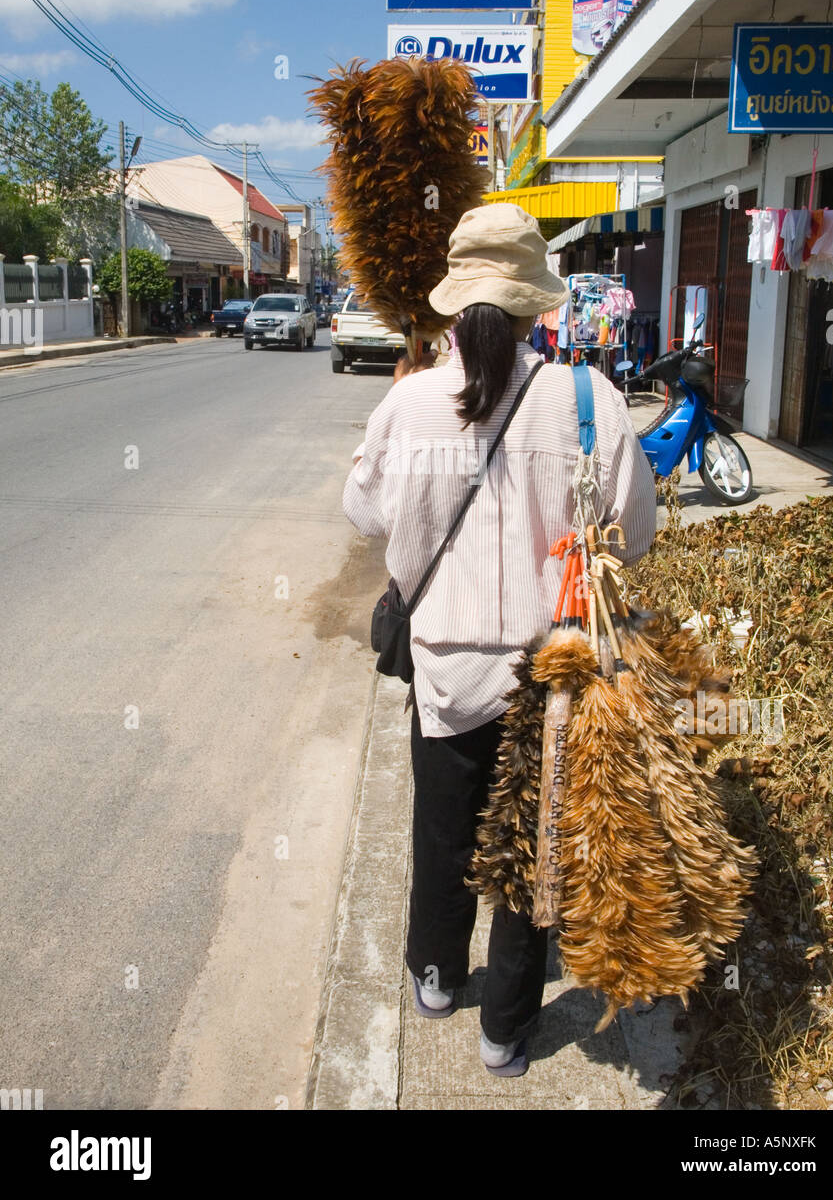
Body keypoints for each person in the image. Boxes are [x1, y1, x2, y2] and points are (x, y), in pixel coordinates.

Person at [342, 203, 656, 1076]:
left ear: (453, 301)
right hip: (552, 674)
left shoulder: (409, 402)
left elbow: (364, 513)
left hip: (443, 672)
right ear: (536, 305)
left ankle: (437, 979)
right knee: (531, 854)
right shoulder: (589, 399)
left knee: (441, 836)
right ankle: (505, 1035)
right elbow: (634, 531)